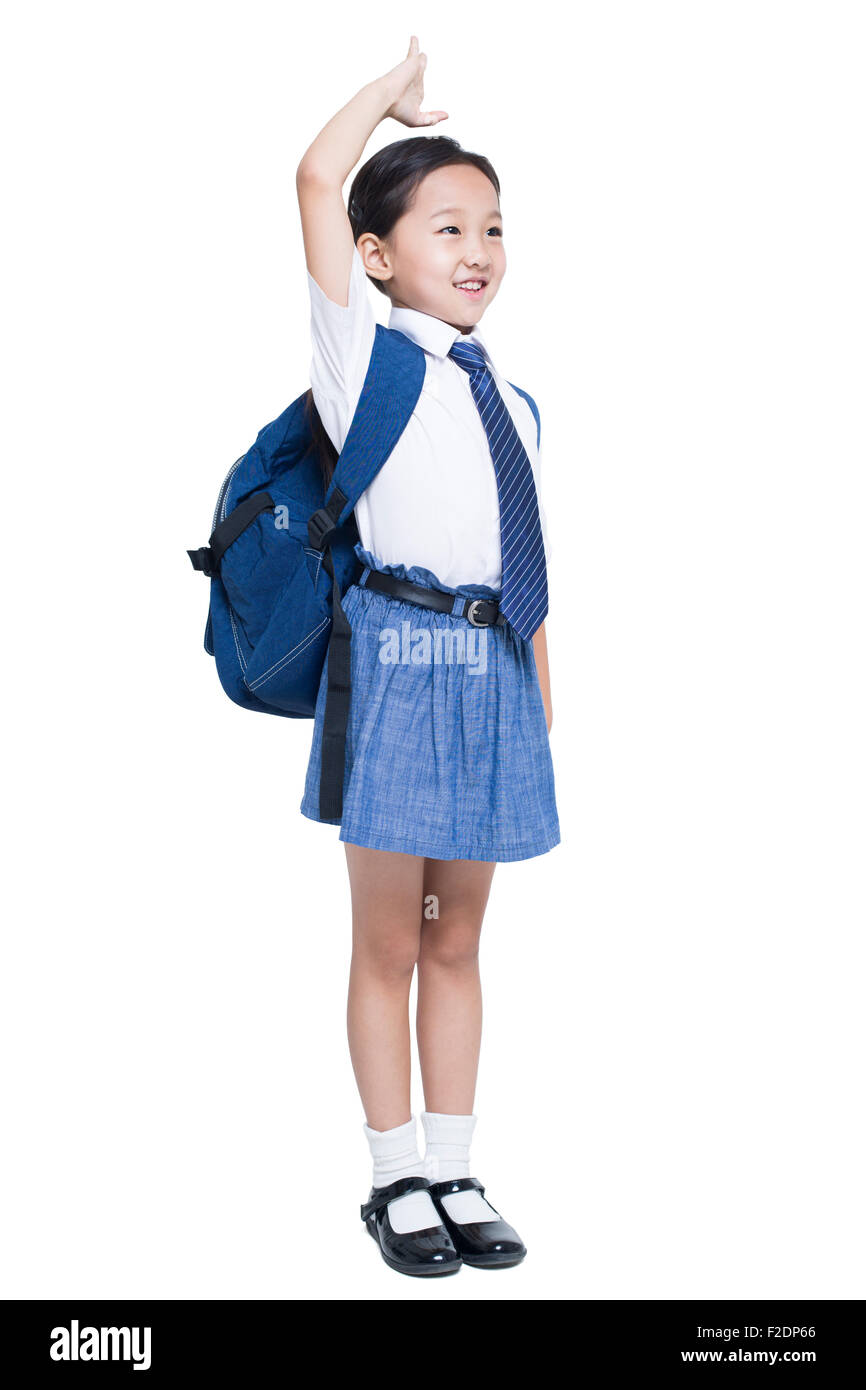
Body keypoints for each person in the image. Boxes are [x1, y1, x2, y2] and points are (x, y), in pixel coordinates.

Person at [295, 36, 560, 1277]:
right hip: (399, 664)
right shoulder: (365, 358)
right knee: (390, 942)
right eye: (446, 226)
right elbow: (311, 178)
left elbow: (524, 551)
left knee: (457, 940)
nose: (476, 251)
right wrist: (388, 99)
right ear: (377, 254)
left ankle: (455, 1165)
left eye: (491, 228)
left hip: (491, 671)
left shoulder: (511, 399)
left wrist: (540, 694)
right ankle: (393, 1178)